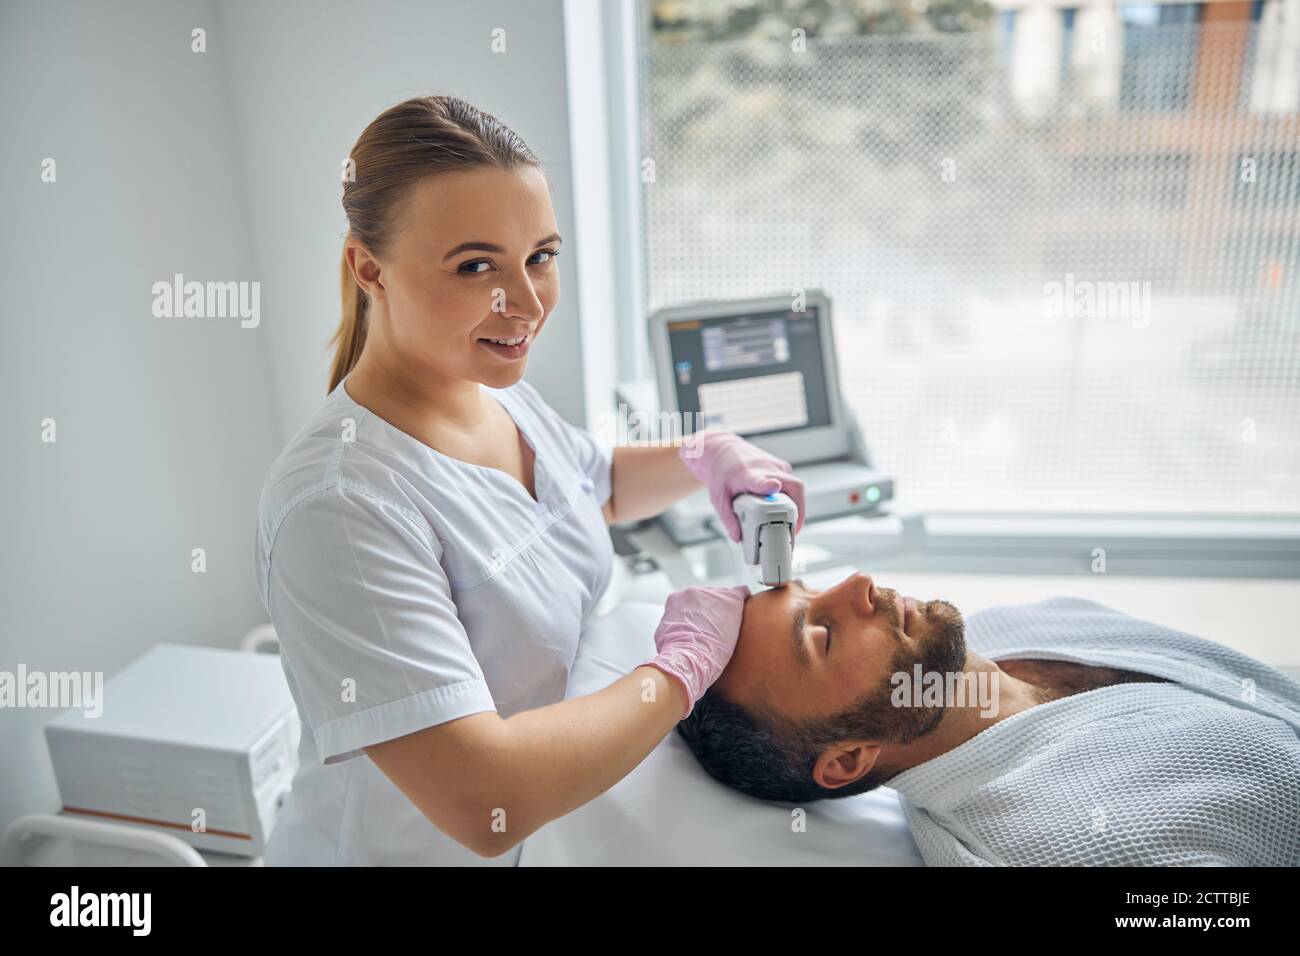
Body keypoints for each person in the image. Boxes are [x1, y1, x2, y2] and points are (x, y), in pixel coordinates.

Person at [253, 93, 804, 865]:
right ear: (367, 266)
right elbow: (488, 803)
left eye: (540, 256)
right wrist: (680, 670)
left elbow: (593, 485)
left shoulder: (493, 390)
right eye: (476, 266)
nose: (527, 304)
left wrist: (704, 453)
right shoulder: (341, 507)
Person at [677, 573, 1300, 865]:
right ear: (847, 759)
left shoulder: (1024, 621)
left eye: (812, 588)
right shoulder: (1055, 848)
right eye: (822, 634)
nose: (858, 584)